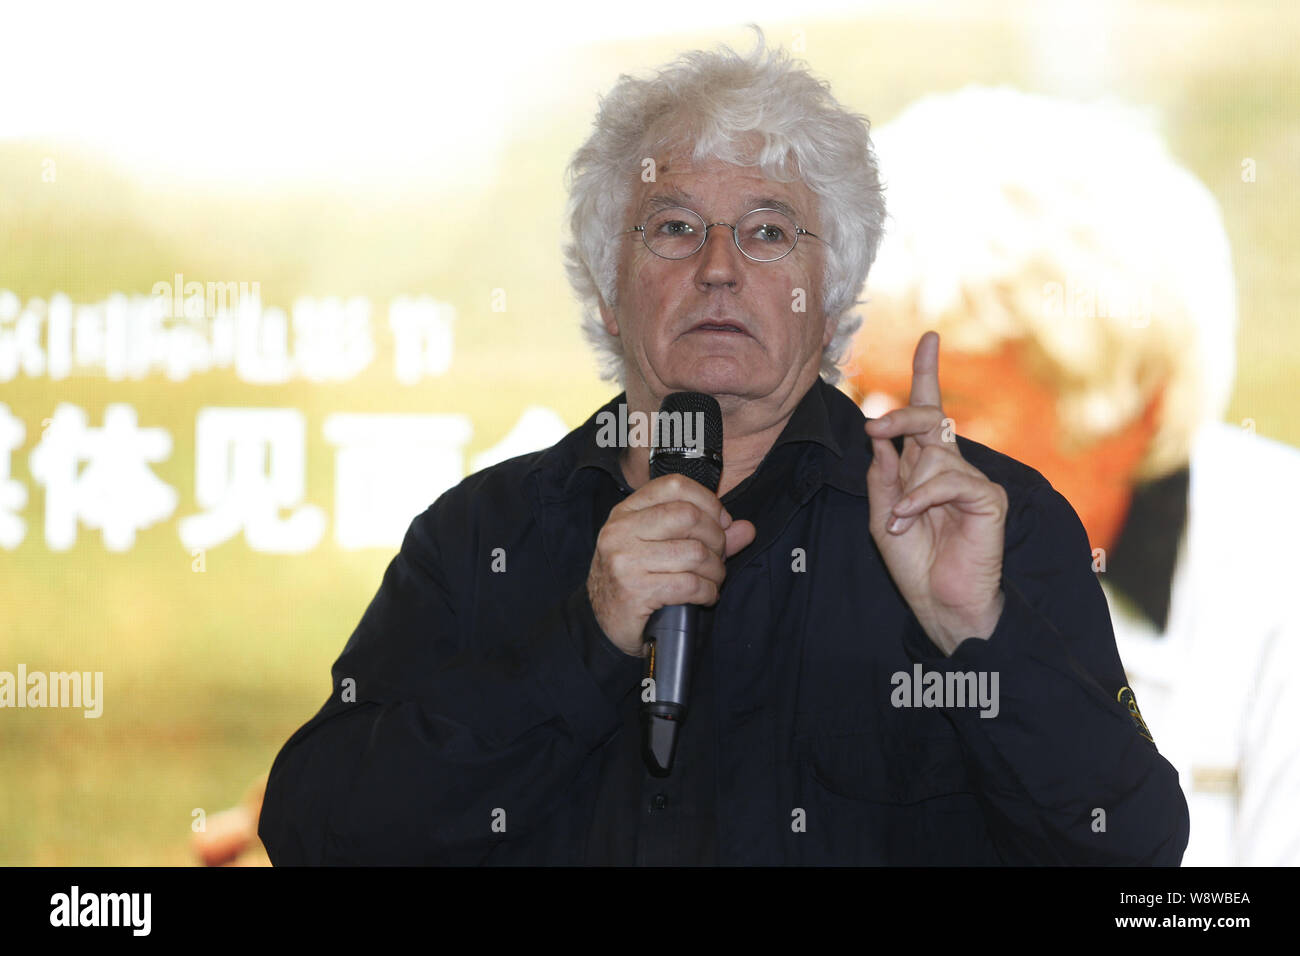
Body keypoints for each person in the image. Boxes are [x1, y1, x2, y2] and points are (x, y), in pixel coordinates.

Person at [258, 31, 1189, 865]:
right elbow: (316, 828)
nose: (717, 265)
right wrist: (586, 639)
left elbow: (1135, 850)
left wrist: (976, 635)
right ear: (609, 291)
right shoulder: (483, 533)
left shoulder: (973, 520)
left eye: (768, 231)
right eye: (673, 227)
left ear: (832, 296)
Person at [841, 85, 1300, 866]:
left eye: (949, 403)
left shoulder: (1274, 574)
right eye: (856, 392)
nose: (878, 441)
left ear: (1131, 414)